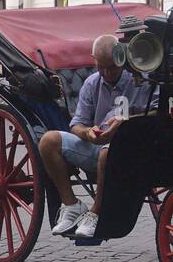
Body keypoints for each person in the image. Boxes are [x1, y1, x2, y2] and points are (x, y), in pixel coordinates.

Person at [41, 34, 153, 238]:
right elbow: (76, 125)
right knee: (49, 141)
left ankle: (96, 213)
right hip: (97, 146)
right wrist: (89, 133)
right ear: (95, 61)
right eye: (101, 67)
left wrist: (125, 122)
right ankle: (71, 204)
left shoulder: (141, 82)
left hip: (129, 151)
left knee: (107, 153)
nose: (106, 72)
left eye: (112, 67)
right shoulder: (93, 83)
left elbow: (158, 112)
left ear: (121, 60)